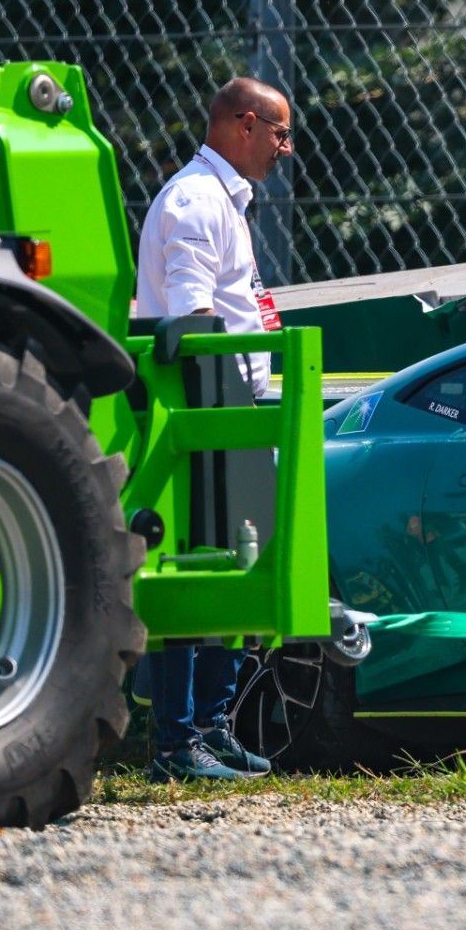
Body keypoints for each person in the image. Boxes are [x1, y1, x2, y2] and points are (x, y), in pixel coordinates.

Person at [133, 76, 294, 781]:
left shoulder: (225, 202)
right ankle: (176, 742)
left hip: (237, 407)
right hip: (207, 407)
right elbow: (192, 323)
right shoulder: (198, 203)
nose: (286, 149)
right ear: (244, 125)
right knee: (199, 573)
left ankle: (212, 725)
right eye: (281, 133)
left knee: (241, 569)